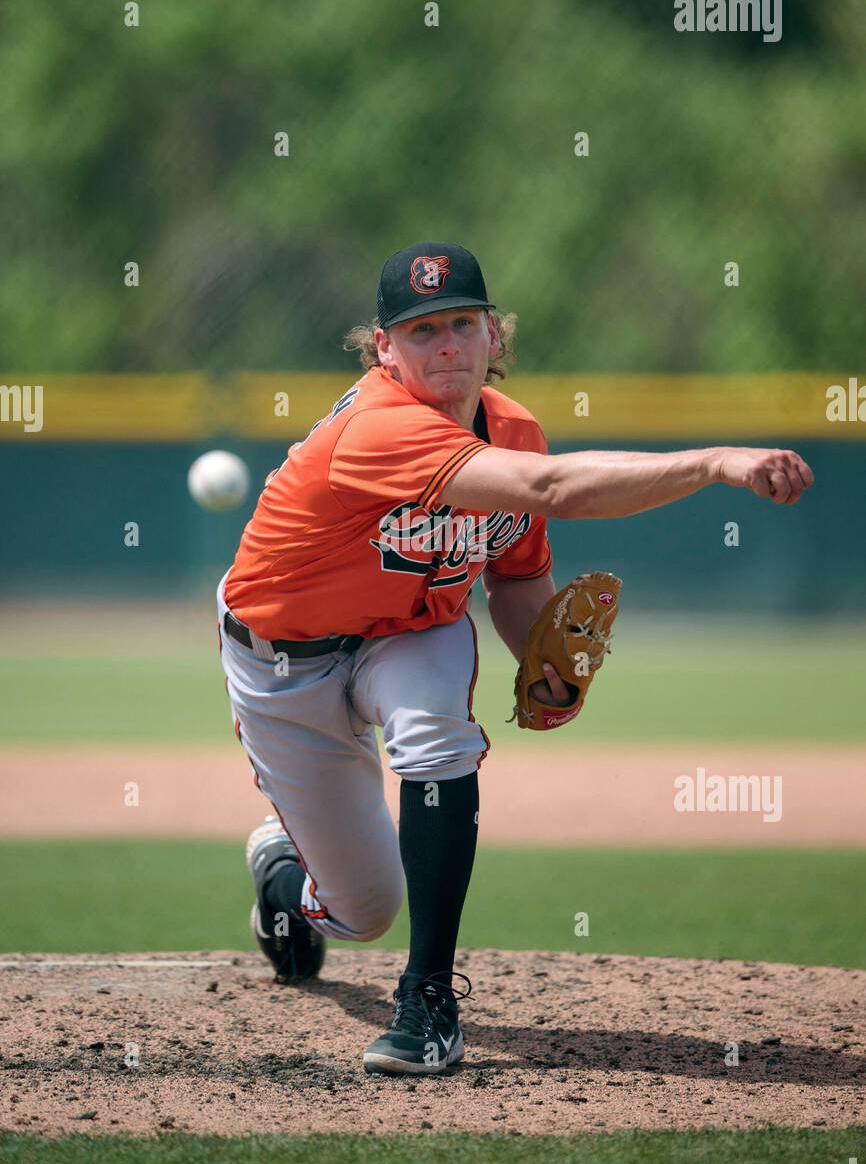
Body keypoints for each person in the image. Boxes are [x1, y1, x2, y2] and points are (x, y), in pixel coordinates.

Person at [216, 240, 813, 1075]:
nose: (448, 345)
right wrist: (716, 462)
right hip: (287, 661)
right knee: (365, 909)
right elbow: (551, 490)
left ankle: (427, 1003)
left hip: (410, 631)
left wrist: (545, 662)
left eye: (464, 323)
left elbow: (515, 578)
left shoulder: (515, 429)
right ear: (383, 348)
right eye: (422, 332)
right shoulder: (376, 427)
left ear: (495, 334)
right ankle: (286, 881)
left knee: (437, 738)